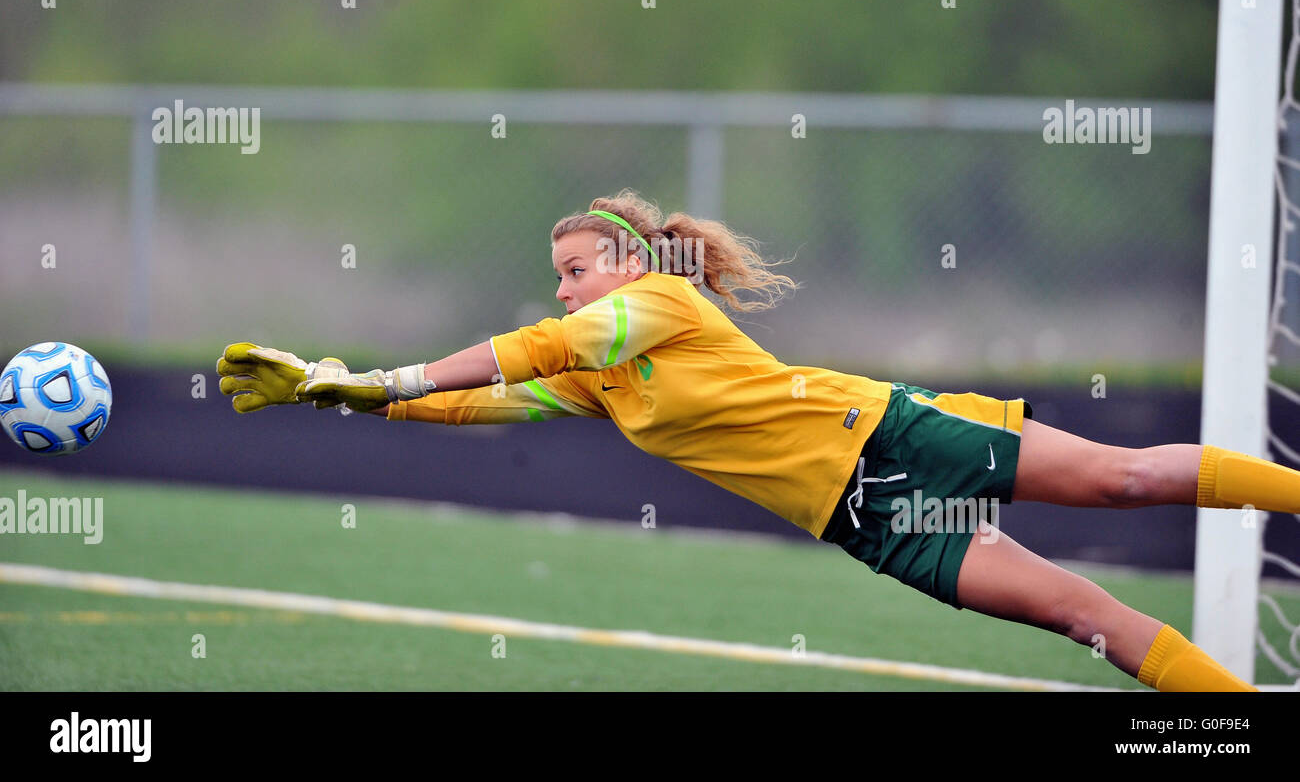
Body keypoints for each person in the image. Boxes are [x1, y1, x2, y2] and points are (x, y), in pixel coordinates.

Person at [218, 188, 1300, 691]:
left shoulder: (656, 307)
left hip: (890, 434)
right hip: (863, 519)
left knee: (1117, 481)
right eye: (557, 269)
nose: (564, 281)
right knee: (1078, 614)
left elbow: (529, 347)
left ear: (630, 265)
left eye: (578, 264)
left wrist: (381, 376)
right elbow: (475, 400)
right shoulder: (597, 375)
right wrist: (334, 388)